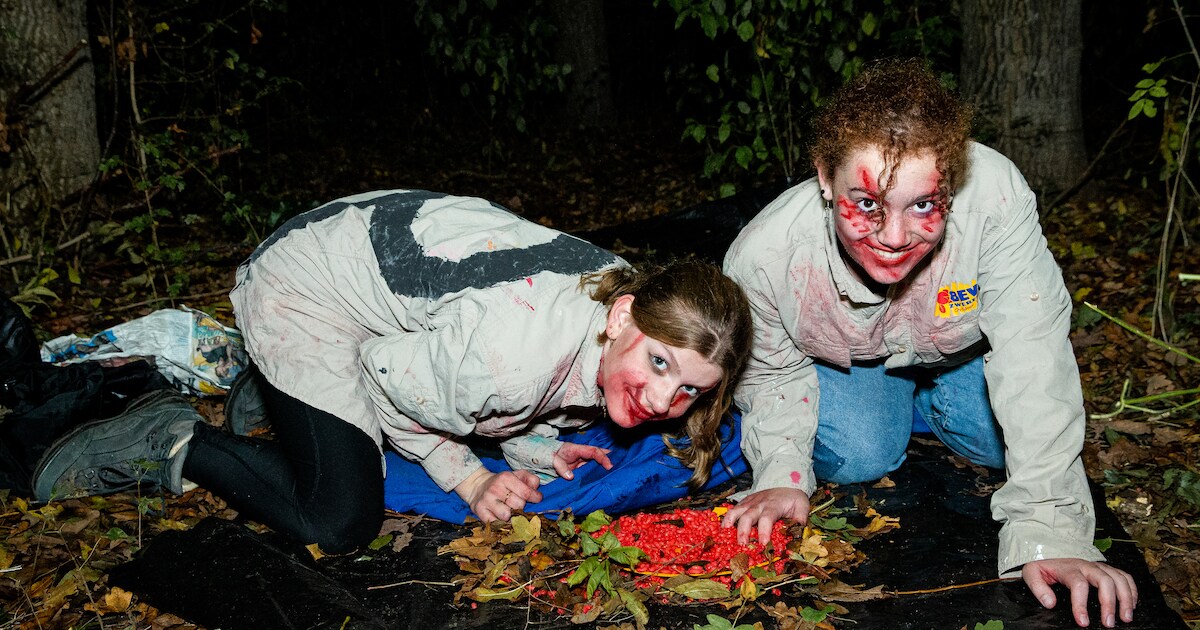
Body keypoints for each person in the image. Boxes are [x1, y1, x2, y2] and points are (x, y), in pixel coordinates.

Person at [33, 189, 753, 554]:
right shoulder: (509, 359)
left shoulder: (622, 299)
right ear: (623, 317)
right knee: (339, 518)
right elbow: (385, 378)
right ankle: (171, 437)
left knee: (456, 384)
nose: (664, 397)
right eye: (660, 363)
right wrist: (468, 477)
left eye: (690, 388)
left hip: (374, 261)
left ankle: (276, 397)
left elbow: (520, 388)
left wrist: (535, 445)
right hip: (305, 287)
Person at [719, 59, 1138, 628]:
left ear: (953, 184)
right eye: (867, 204)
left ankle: (934, 402)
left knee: (998, 445)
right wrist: (780, 475)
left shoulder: (994, 200)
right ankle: (894, 404)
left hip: (962, 351)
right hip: (857, 362)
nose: (893, 238)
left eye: (923, 205)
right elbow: (771, 372)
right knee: (858, 456)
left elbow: (1034, 354)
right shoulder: (765, 258)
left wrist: (1051, 533)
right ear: (824, 178)